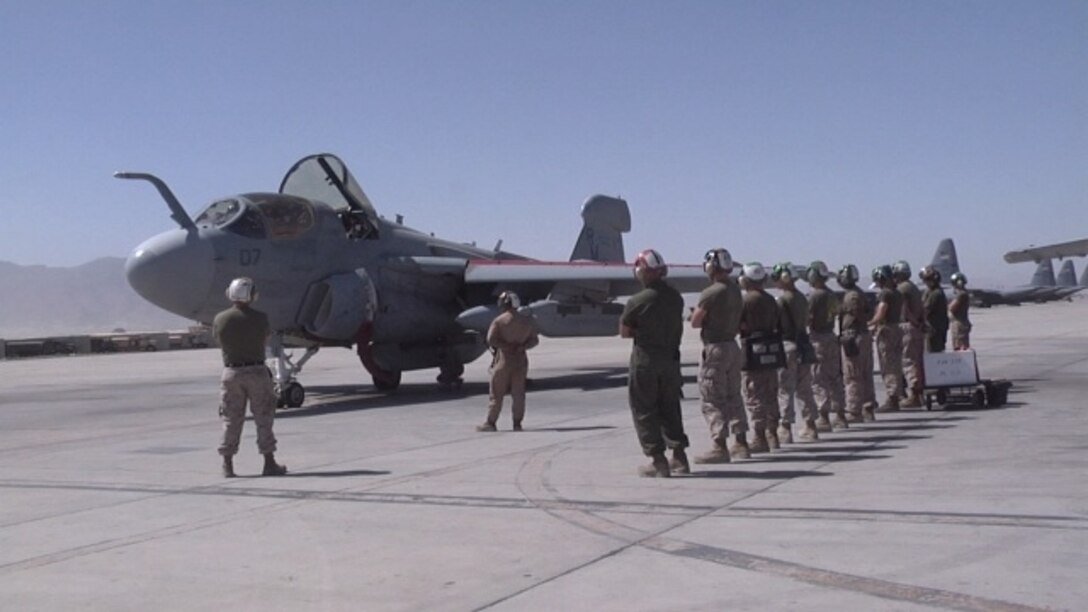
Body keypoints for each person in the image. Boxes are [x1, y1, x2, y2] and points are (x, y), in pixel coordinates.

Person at [620, 249, 689, 477]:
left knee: (644, 409)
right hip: (670, 361)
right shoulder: (676, 297)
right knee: (671, 407)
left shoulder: (637, 301)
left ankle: (658, 461)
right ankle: (679, 457)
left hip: (646, 362)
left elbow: (625, 331)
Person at [212, 277, 286, 478]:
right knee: (264, 418)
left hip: (231, 373)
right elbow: (265, 339)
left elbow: (219, 340)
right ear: (251, 295)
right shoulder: (261, 318)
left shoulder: (220, 318)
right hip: (256, 371)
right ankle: (269, 463)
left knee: (231, 419)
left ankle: (227, 465)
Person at [690, 248, 749, 463]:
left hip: (715, 348)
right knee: (734, 394)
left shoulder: (711, 292)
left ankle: (719, 445)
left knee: (712, 398)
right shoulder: (735, 290)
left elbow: (696, 321)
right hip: (732, 347)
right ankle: (741, 442)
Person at [477, 291, 539, 432]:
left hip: (503, 361)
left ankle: (490, 422)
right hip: (521, 361)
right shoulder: (527, 321)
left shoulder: (499, 321)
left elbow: (491, 339)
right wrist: (521, 346)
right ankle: (517, 423)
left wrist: (506, 346)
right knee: (518, 393)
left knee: (496, 393)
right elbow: (534, 340)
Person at [738, 262, 782, 453]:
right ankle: (773, 434)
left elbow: (739, 324)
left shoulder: (746, 300)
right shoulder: (771, 300)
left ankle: (759, 436)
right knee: (771, 392)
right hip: (771, 348)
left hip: (752, 349)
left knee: (754, 393)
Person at [773, 262, 818, 442]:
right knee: (805, 388)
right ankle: (811, 425)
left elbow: (777, 324)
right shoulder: (801, 298)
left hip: (787, 345)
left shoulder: (783, 300)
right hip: (803, 345)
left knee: (785, 389)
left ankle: (785, 428)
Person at [804, 261, 848, 431]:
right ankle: (840, 415)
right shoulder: (831, 294)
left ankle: (823, 417)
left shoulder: (815, 296)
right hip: (830, 336)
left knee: (818, 379)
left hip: (818, 338)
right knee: (835, 378)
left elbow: (808, 318)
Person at [837, 264, 878, 422]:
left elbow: (858, 314)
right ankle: (867, 407)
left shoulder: (852, 296)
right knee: (865, 373)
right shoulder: (857, 293)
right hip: (861, 336)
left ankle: (854, 411)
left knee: (853, 375)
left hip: (854, 337)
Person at [870, 265, 904, 413]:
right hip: (897, 328)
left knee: (888, 365)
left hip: (887, 330)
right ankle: (898, 393)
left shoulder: (885, 294)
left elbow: (882, 311)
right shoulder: (897, 293)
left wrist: (871, 323)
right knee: (896, 364)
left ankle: (892, 398)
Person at [893, 260, 925, 407]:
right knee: (916, 361)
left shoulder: (902, 288)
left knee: (908, 361)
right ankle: (917, 394)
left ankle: (914, 395)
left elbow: (905, 309)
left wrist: (912, 322)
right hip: (915, 328)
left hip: (907, 326)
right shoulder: (913, 287)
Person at [919, 265, 949, 353]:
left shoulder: (935, 294)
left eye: (926, 280)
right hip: (937, 328)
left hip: (934, 329)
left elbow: (925, 309)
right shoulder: (933, 292)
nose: (925, 282)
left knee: (933, 354)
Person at [949, 272, 972, 350]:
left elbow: (952, 307)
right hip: (960, 323)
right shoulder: (962, 293)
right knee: (958, 346)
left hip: (959, 323)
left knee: (961, 347)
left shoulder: (961, 294)